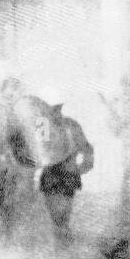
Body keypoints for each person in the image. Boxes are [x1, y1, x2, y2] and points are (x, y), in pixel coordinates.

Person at [35, 86, 94, 249]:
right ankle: (64, 255)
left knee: (59, 220)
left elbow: (41, 152)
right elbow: (88, 151)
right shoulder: (69, 124)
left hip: (56, 175)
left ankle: (62, 255)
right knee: (61, 220)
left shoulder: (45, 125)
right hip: (64, 175)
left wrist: (81, 167)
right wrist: (81, 168)